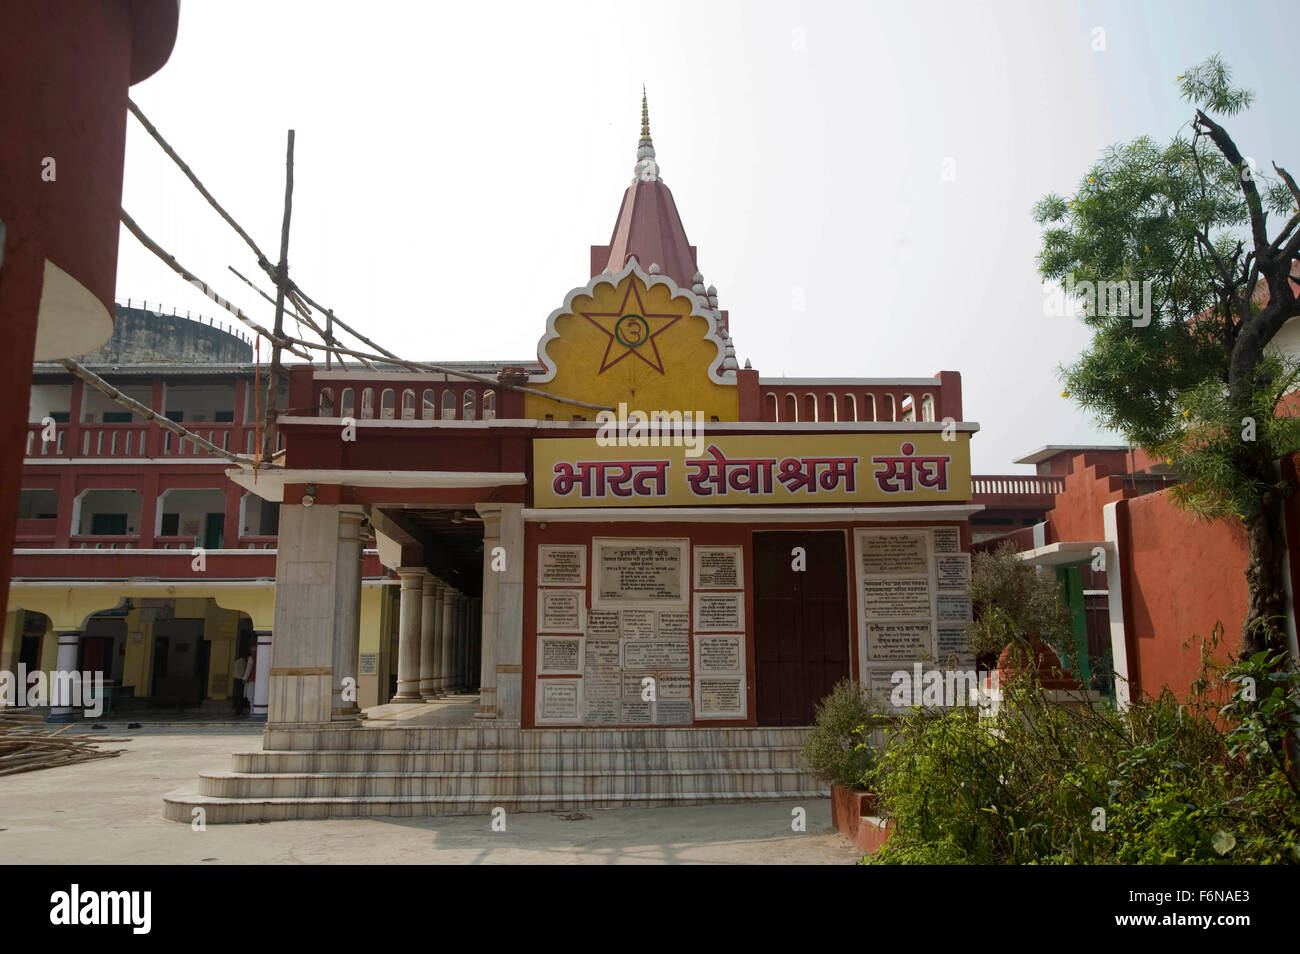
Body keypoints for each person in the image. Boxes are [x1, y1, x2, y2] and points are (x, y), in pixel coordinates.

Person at [231, 649, 248, 715]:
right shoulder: (242, 662)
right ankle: (238, 711)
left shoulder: (237, 661)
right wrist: (245, 678)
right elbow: (242, 672)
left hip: (236, 679)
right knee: (240, 696)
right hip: (240, 680)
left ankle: (237, 710)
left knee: (238, 695)